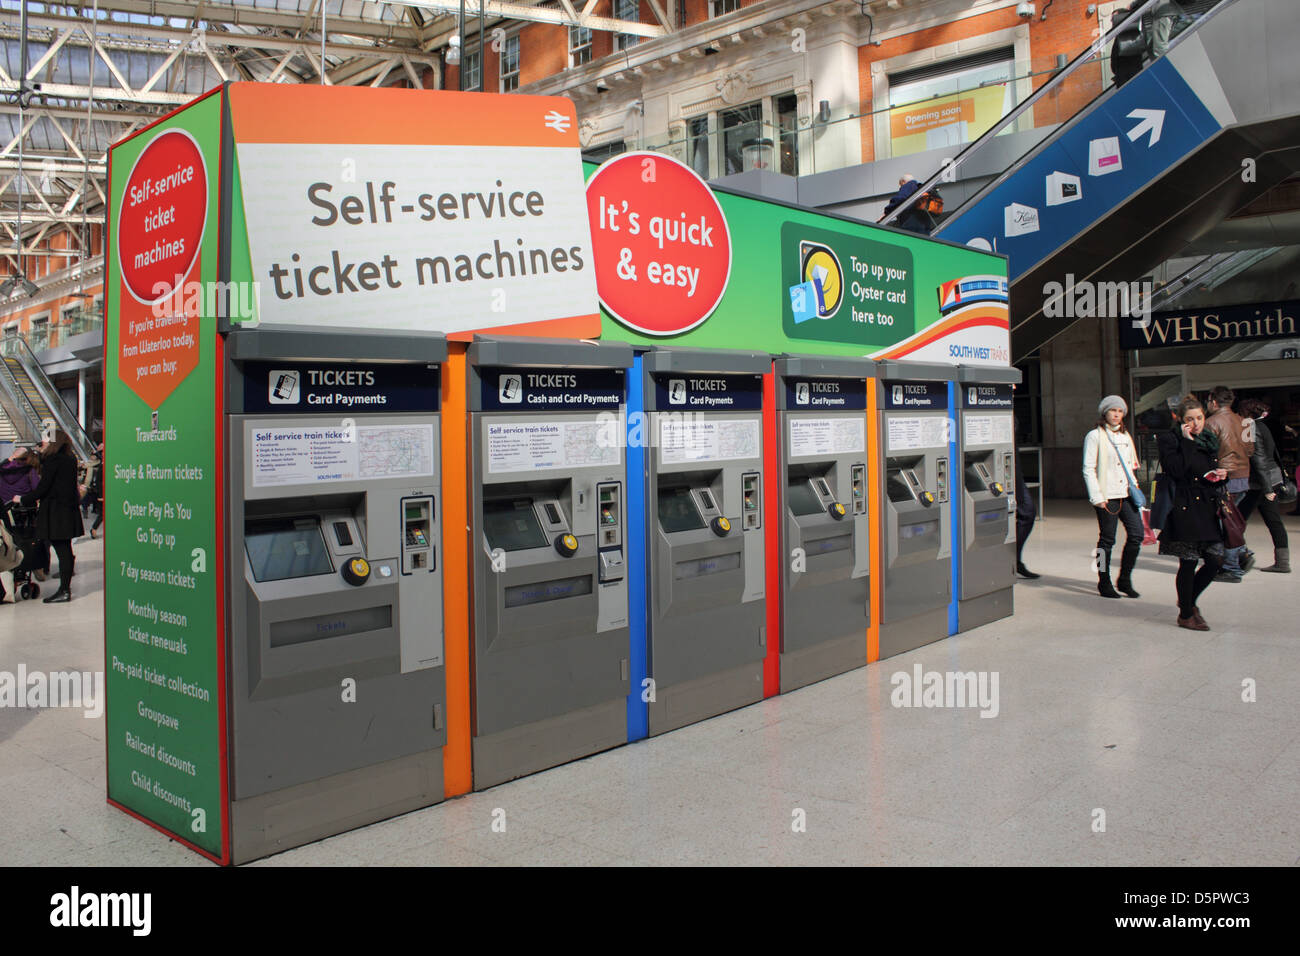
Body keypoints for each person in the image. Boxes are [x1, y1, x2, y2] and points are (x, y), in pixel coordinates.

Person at [1157, 395, 1228, 630]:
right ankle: (1186, 614)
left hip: (1207, 505)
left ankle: (1188, 601)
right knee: (1188, 562)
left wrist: (1219, 476)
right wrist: (1187, 441)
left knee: (1215, 559)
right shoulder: (1170, 438)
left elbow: (1205, 471)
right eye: (1190, 419)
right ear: (1180, 419)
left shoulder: (1208, 439)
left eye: (1199, 418)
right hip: (1184, 506)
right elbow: (1175, 469)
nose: (1196, 423)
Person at [11, 430, 83, 603]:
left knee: (62, 549)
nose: (43, 443)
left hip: (55, 511)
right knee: (65, 549)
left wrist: (22, 499)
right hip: (68, 509)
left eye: (45, 440)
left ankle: (64, 590)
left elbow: (44, 487)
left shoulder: (52, 460)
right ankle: (65, 588)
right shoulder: (70, 459)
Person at [1083, 395, 1144, 598]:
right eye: (1112, 410)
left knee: (1137, 535)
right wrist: (1096, 496)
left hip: (1126, 493)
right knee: (1106, 540)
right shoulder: (1094, 436)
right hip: (1106, 495)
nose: (1116, 414)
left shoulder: (1126, 436)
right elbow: (1088, 468)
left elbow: (1131, 466)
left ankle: (1125, 579)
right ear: (1105, 413)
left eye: (1120, 411)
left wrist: (1136, 492)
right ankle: (1103, 580)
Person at [1203, 386, 1255, 581]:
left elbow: (1206, 453)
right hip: (1243, 476)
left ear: (1214, 402)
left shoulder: (1211, 423)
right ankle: (1241, 554)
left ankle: (1232, 566)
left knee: (1226, 523)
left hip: (1223, 479)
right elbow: (1250, 450)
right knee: (1231, 521)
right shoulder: (1244, 422)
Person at [1238, 398, 1289, 573]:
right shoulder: (1264, 426)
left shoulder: (1248, 426)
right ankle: (1283, 562)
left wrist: (1267, 489)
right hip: (1270, 479)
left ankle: (1240, 557)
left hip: (1259, 482)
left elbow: (1257, 458)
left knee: (1237, 520)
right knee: (1274, 521)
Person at [0, 446, 39, 604]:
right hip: (22, 512)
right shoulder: (30, 471)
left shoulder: (2, 469)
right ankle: (37, 568)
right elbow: (37, 489)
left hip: (4, 511)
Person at [1110, 3, 1146, 89]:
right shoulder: (1129, 36)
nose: (1112, 21)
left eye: (1113, 18)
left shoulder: (1127, 37)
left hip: (1127, 78)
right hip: (1125, 76)